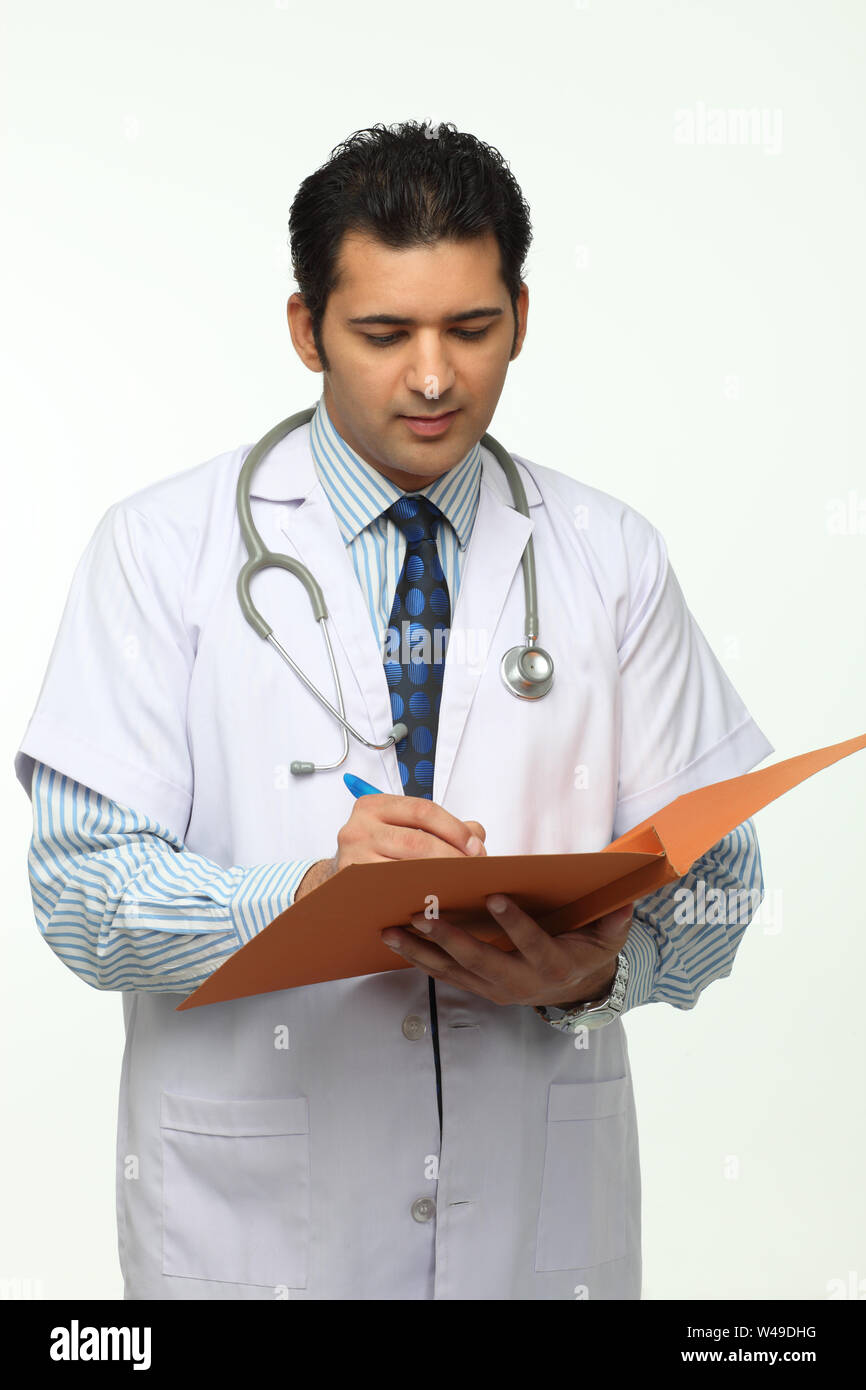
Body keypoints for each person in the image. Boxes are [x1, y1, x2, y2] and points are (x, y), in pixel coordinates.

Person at [15, 120, 772, 1300]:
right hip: (254, 1231)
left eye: (470, 329)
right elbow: (78, 893)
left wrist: (585, 976)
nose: (432, 375)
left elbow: (720, 880)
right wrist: (302, 899)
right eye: (383, 333)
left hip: (534, 1219)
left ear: (520, 314)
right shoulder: (161, 552)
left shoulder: (609, 556)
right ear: (304, 328)